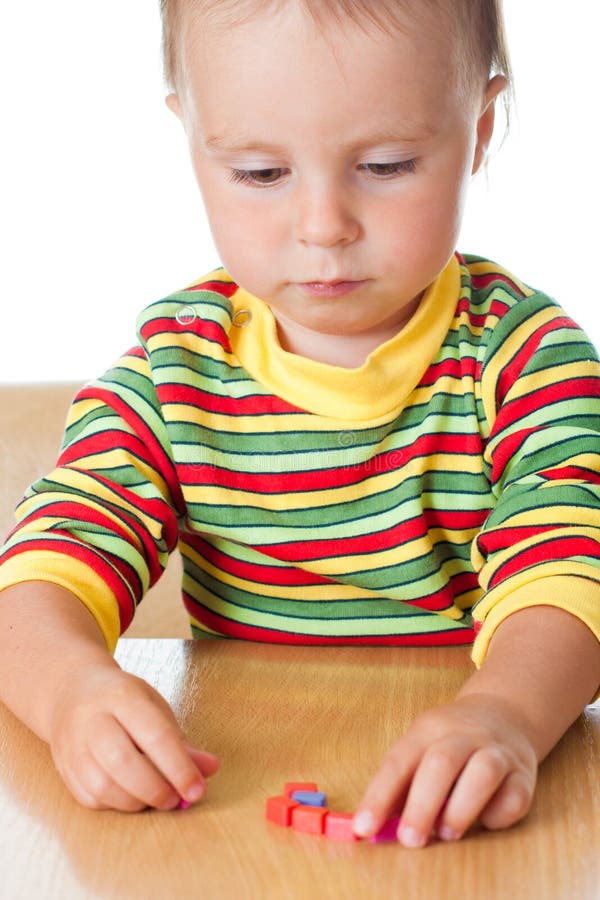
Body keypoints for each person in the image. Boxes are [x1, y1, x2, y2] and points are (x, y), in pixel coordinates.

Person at [0, 0, 599, 849]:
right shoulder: (174, 368)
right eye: (259, 173)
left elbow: (572, 565)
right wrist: (68, 692)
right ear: (192, 143)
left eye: (387, 165)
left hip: (466, 791)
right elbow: (46, 564)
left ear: (478, 132)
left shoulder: (526, 358)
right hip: (241, 798)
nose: (324, 227)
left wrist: (507, 713)